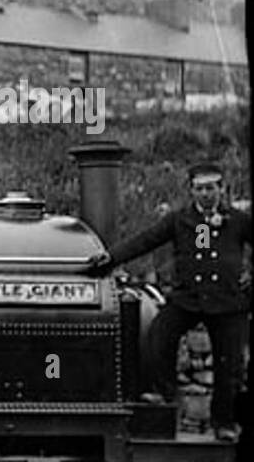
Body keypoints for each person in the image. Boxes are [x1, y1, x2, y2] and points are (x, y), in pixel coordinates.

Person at [90, 162, 251, 442]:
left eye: (211, 188)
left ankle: (224, 423)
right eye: (199, 189)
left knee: (230, 366)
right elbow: (146, 240)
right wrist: (111, 258)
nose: (205, 194)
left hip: (227, 303)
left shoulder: (237, 220)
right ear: (191, 191)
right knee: (157, 339)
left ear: (221, 189)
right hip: (187, 299)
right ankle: (164, 398)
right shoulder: (179, 220)